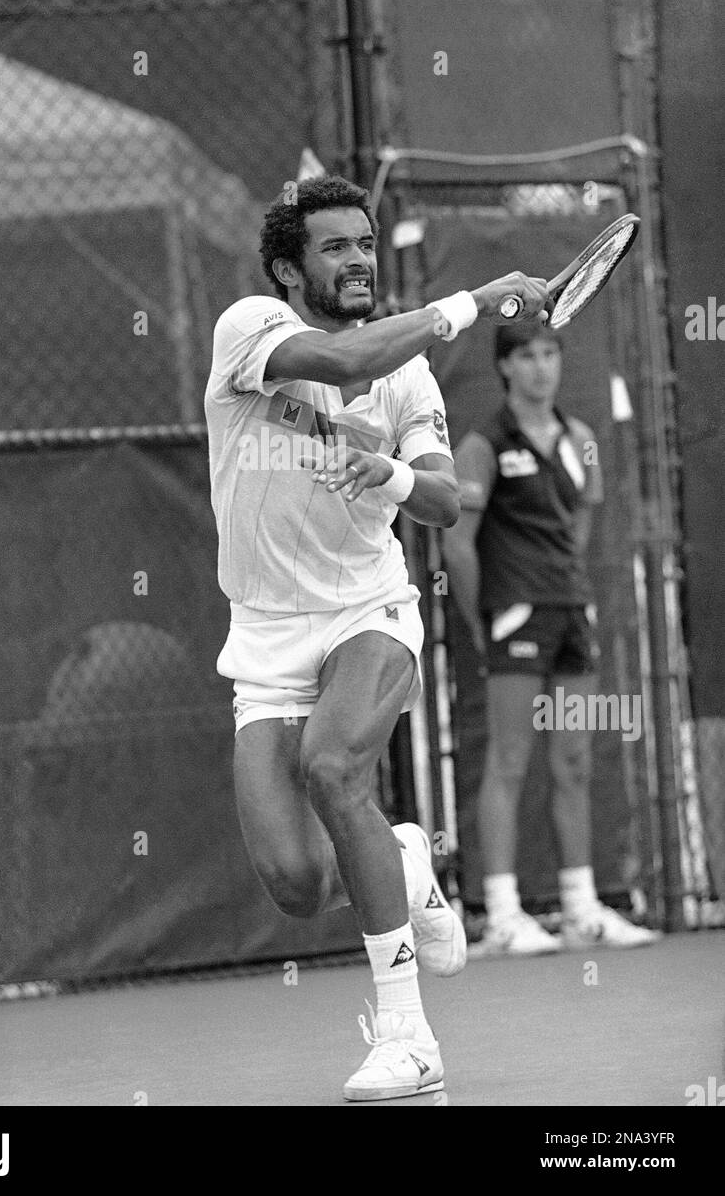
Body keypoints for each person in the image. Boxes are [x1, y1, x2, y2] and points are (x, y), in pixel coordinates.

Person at [204, 174, 549, 1101]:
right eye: (334, 247)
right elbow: (343, 366)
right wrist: (473, 302)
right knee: (294, 882)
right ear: (287, 269)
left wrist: (390, 475)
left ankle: (407, 1036)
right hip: (266, 634)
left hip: (370, 611)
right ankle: (402, 857)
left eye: (364, 243)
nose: (357, 259)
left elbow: (444, 499)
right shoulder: (250, 329)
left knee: (332, 769)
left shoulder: (407, 370)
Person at [441, 318, 661, 956]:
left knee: (574, 760)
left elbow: (582, 524)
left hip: (572, 613)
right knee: (508, 760)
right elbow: (457, 544)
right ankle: (505, 916)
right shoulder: (483, 445)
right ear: (505, 367)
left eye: (550, 354)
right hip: (515, 617)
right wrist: (487, 617)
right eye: (527, 357)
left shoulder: (583, 440)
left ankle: (581, 907)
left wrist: (565, 586)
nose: (542, 367)